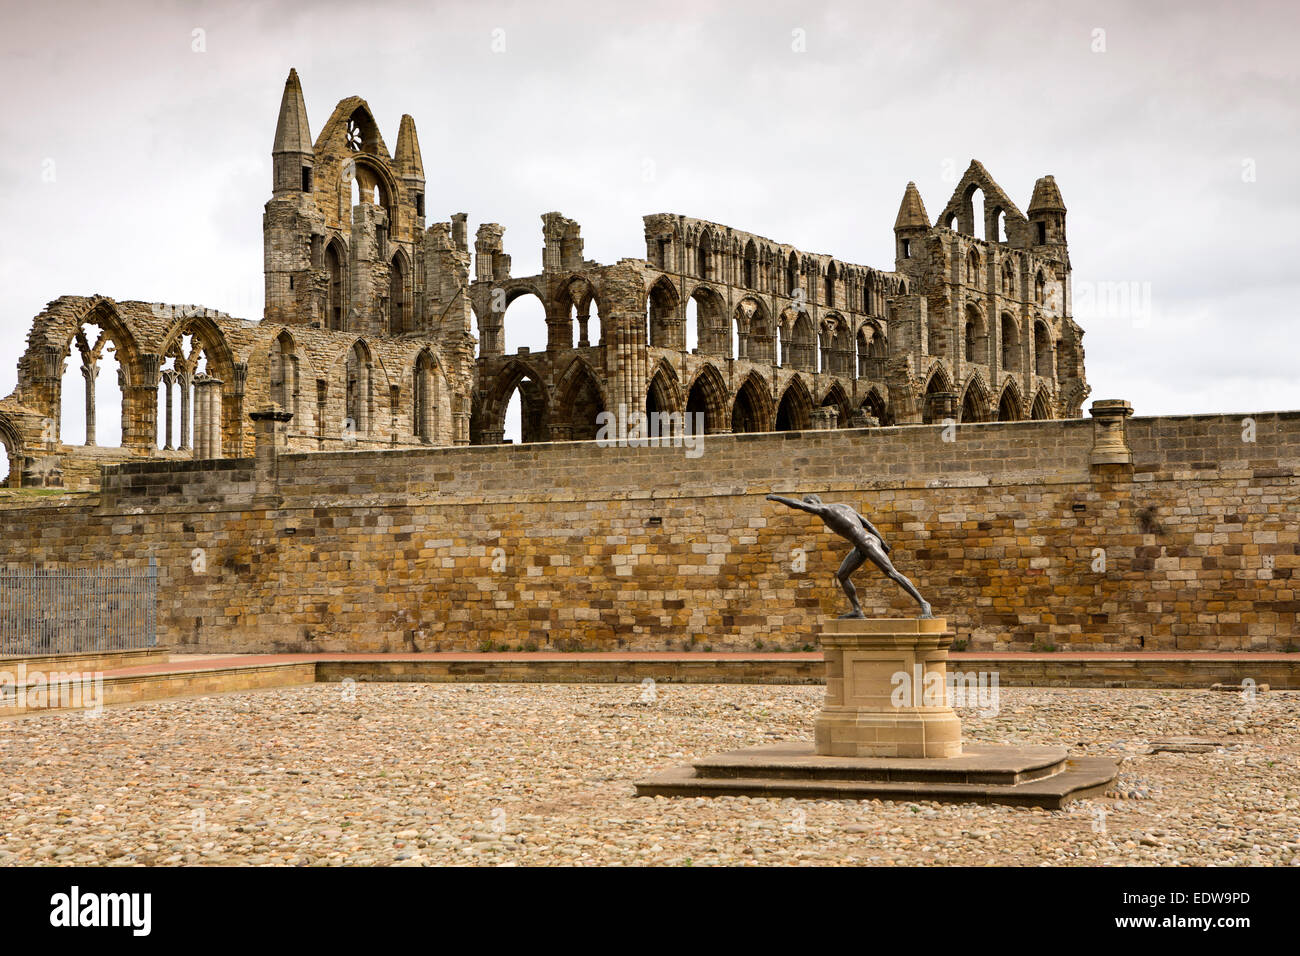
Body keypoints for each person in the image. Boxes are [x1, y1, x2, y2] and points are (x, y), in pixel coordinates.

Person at [766, 493, 933, 619]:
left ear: (815, 502)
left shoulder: (824, 510)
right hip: (863, 544)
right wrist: (882, 542)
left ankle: (924, 604)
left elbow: (797, 505)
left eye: (809, 504)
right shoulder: (844, 506)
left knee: (891, 573)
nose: (810, 509)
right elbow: (868, 524)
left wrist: (775, 497)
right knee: (842, 575)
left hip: (865, 542)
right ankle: (857, 610)